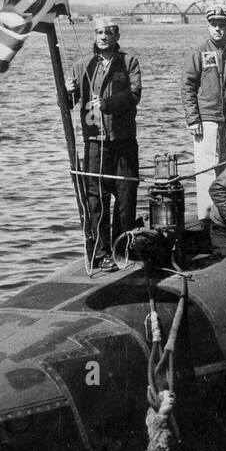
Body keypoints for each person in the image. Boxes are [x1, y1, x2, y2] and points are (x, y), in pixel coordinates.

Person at [70, 15, 142, 271]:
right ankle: (101, 253)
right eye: (99, 32)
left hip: (123, 140)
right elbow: (69, 103)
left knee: (125, 198)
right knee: (96, 199)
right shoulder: (82, 66)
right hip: (95, 142)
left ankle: (121, 247)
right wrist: (67, 93)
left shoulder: (129, 62)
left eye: (108, 32)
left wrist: (109, 104)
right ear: (94, 36)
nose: (103, 36)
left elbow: (134, 94)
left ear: (116, 36)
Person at [182, 5, 226, 221]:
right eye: (213, 24)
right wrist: (193, 118)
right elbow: (187, 86)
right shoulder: (199, 52)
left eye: (222, 24)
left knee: (222, 168)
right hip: (206, 120)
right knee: (206, 170)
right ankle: (206, 218)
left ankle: (219, 215)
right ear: (208, 26)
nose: (217, 29)